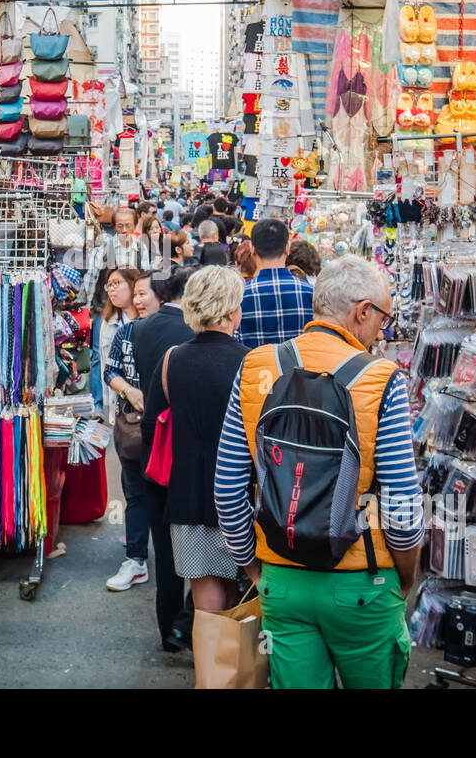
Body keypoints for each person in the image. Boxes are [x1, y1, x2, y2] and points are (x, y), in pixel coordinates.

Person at [215, 256, 424, 689]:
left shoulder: (255, 366)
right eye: (382, 319)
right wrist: (405, 576)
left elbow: (228, 489)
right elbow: (402, 504)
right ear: (362, 312)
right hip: (364, 581)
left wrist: (255, 567)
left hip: (283, 579)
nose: (382, 331)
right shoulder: (382, 379)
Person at [143, 266, 248, 621]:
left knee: (205, 600)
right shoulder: (251, 363)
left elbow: (150, 429)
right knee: (236, 595)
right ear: (233, 311)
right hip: (240, 494)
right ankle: (234, 669)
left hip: (186, 494)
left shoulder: (172, 359)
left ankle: (210, 669)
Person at [130, 266, 196, 650]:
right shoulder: (193, 334)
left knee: (164, 548)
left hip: (154, 446)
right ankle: (187, 622)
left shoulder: (142, 329)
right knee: (205, 545)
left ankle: (168, 628)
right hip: (188, 450)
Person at [103, 273, 161, 593]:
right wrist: (129, 390)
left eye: (144, 294)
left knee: (165, 494)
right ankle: (136, 559)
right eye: (136, 294)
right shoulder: (126, 330)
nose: (138, 300)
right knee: (135, 493)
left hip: (168, 429)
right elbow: (110, 370)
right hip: (134, 426)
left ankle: (173, 561)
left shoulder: (176, 331)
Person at [237, 217, 314, 348]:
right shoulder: (311, 294)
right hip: (302, 367)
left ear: (252, 249)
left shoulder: (239, 297)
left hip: (256, 367)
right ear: (287, 248)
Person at [80, 206, 149, 307]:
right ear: (114, 227)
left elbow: (145, 277)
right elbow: (91, 277)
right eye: (120, 226)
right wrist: (87, 306)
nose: (124, 230)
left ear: (134, 226)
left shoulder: (141, 248)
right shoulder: (104, 248)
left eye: (128, 225)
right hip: (107, 304)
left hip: (133, 305)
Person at [96, 268, 141, 425]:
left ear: (132, 284)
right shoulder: (108, 324)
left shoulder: (148, 319)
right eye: (109, 285)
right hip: (121, 402)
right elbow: (106, 368)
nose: (112, 289)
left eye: (117, 283)